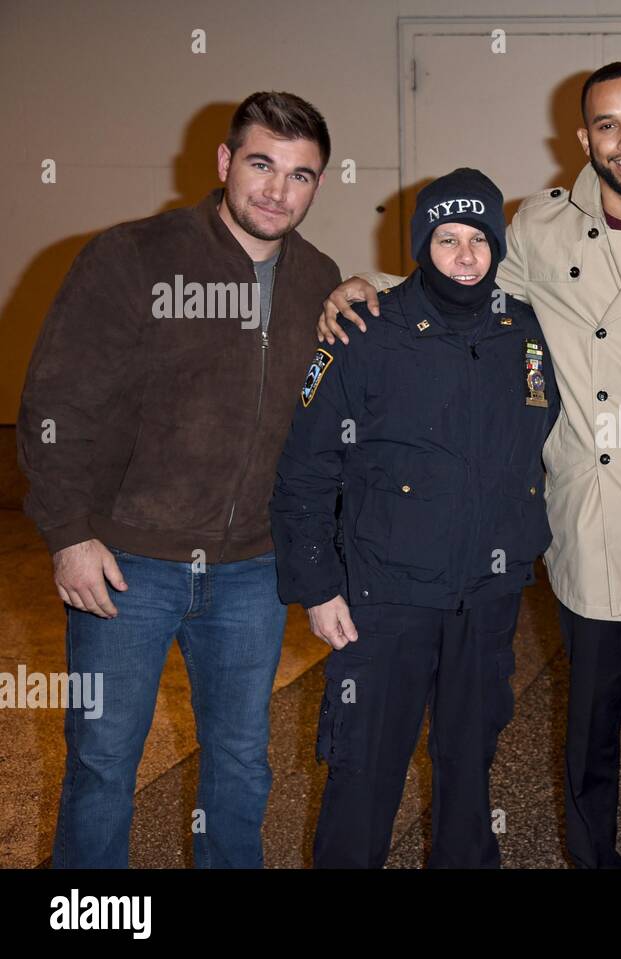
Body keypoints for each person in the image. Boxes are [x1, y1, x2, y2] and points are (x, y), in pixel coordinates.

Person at [316, 62, 621, 868]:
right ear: (583, 138)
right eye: (609, 125)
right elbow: (463, 284)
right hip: (590, 514)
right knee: (588, 723)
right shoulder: (542, 229)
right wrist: (368, 287)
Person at [17, 92, 341, 868]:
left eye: (301, 175)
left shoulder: (317, 277)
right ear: (226, 163)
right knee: (102, 763)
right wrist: (69, 534)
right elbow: (55, 404)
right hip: (127, 565)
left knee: (240, 760)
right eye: (262, 164)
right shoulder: (131, 256)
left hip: (251, 572)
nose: (278, 190)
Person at [271, 168, 556, 868]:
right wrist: (318, 586)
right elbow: (305, 470)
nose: (464, 255)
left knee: (469, 769)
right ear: (422, 244)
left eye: (478, 239)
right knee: (363, 772)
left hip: (485, 600)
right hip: (384, 601)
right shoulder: (365, 330)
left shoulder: (523, 331)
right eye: (446, 238)